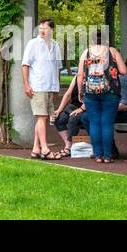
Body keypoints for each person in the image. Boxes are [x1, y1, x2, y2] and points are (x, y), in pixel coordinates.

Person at [77, 29, 127, 163]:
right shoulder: (112, 51)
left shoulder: (86, 52)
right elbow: (123, 71)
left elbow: (81, 74)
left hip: (90, 93)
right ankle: (107, 156)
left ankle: (98, 155)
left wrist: (80, 91)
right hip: (110, 93)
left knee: (94, 123)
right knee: (107, 123)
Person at [21, 19, 62, 159]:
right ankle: (45, 149)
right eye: (40, 28)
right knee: (42, 117)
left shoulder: (56, 45)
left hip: (50, 86)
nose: (42, 30)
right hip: (38, 86)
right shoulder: (33, 43)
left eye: (45, 28)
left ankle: (35, 149)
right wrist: (26, 85)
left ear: (52, 30)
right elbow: (25, 65)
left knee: (43, 119)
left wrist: (56, 88)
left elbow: (57, 68)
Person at [51, 73, 86, 158]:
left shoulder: (93, 78)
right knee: (58, 118)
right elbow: (68, 94)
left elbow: (90, 98)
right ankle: (68, 144)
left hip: (86, 108)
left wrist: (81, 109)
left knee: (73, 119)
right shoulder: (76, 77)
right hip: (73, 107)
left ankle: (68, 148)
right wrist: (59, 110)